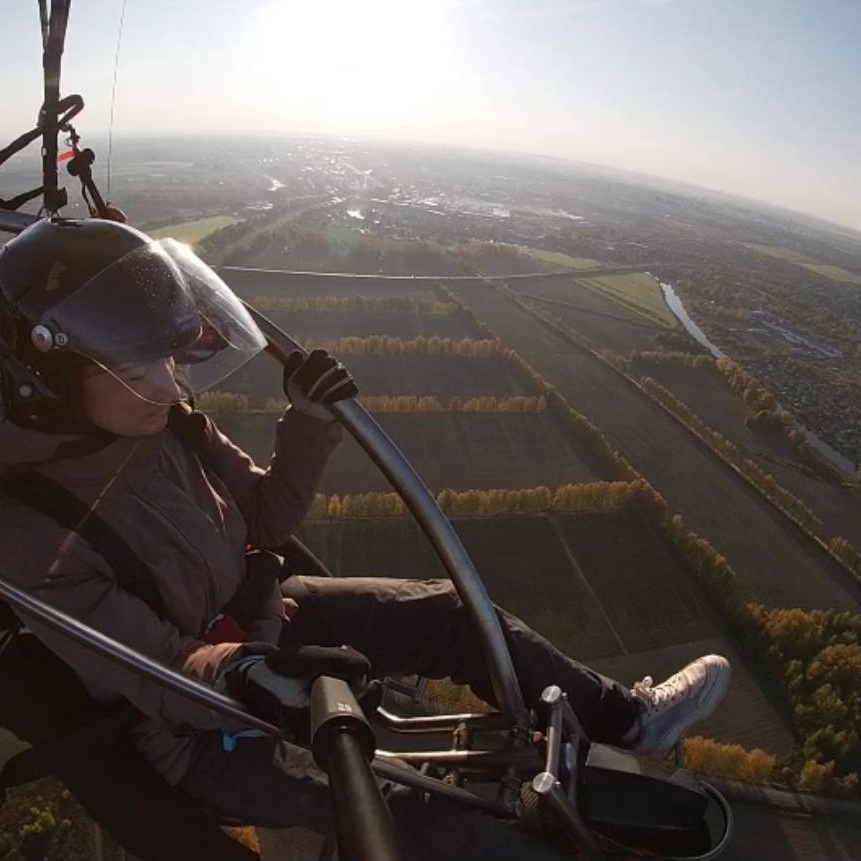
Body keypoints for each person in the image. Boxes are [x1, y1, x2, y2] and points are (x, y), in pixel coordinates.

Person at [0, 218, 731, 859]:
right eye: (138, 369)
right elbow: (158, 669)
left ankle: (627, 719)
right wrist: (251, 673)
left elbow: (264, 519)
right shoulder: (27, 528)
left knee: (449, 611)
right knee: (419, 816)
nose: (168, 382)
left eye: (168, 358)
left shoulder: (163, 423)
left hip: (269, 617)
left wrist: (308, 424)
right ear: (48, 380)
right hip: (202, 722)